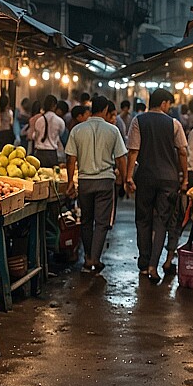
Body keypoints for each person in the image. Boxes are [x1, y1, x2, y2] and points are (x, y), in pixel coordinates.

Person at [125, 89, 188, 283]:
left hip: (145, 177)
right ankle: (153, 265)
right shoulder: (174, 124)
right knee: (161, 221)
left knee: (143, 219)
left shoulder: (138, 121)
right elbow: (183, 152)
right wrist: (184, 177)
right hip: (169, 179)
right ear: (163, 104)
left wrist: (129, 177)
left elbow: (133, 151)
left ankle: (144, 264)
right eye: (168, 104)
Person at [65, 96, 127, 275]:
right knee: (101, 223)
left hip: (85, 181)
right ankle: (95, 258)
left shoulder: (77, 130)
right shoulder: (113, 130)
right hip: (105, 181)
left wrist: (70, 181)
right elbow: (121, 158)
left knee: (86, 220)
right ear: (106, 110)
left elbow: (71, 158)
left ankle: (87, 259)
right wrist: (124, 179)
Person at [30, 95, 66, 167]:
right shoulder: (59, 121)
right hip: (52, 153)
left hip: (39, 153)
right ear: (55, 106)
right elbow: (61, 133)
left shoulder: (39, 120)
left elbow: (34, 136)